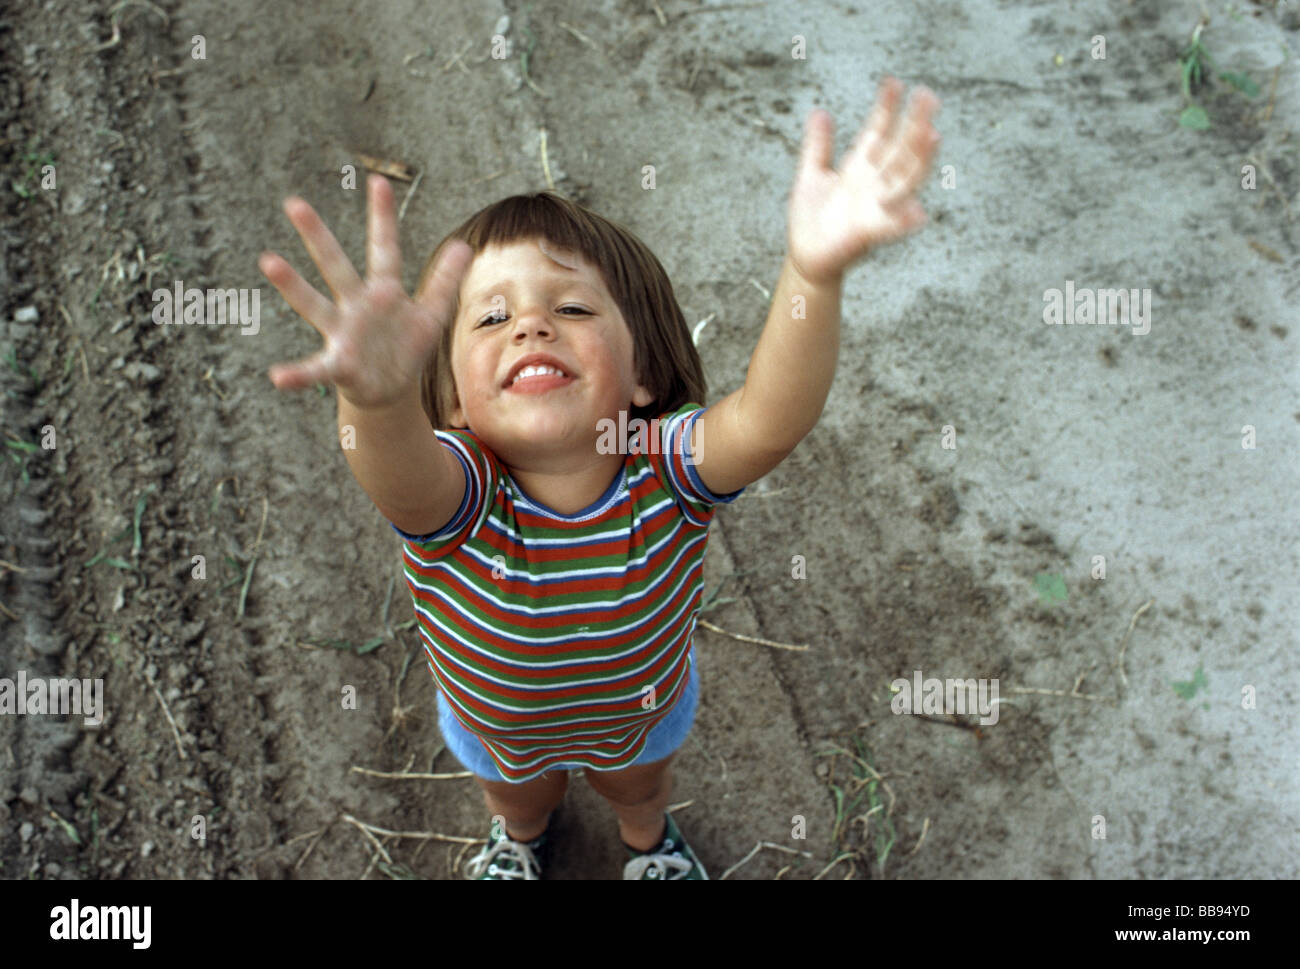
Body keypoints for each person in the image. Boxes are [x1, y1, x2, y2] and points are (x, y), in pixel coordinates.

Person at [259, 76, 940, 879]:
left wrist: (813, 277)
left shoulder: (668, 467)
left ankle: (650, 844)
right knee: (517, 797)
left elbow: (768, 419)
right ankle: (518, 842)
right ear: (450, 400)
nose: (532, 324)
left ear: (644, 373)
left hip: (639, 718)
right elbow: (393, 472)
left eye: (574, 309)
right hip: (499, 729)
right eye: (489, 318)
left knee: (640, 788)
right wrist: (373, 400)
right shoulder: (462, 493)